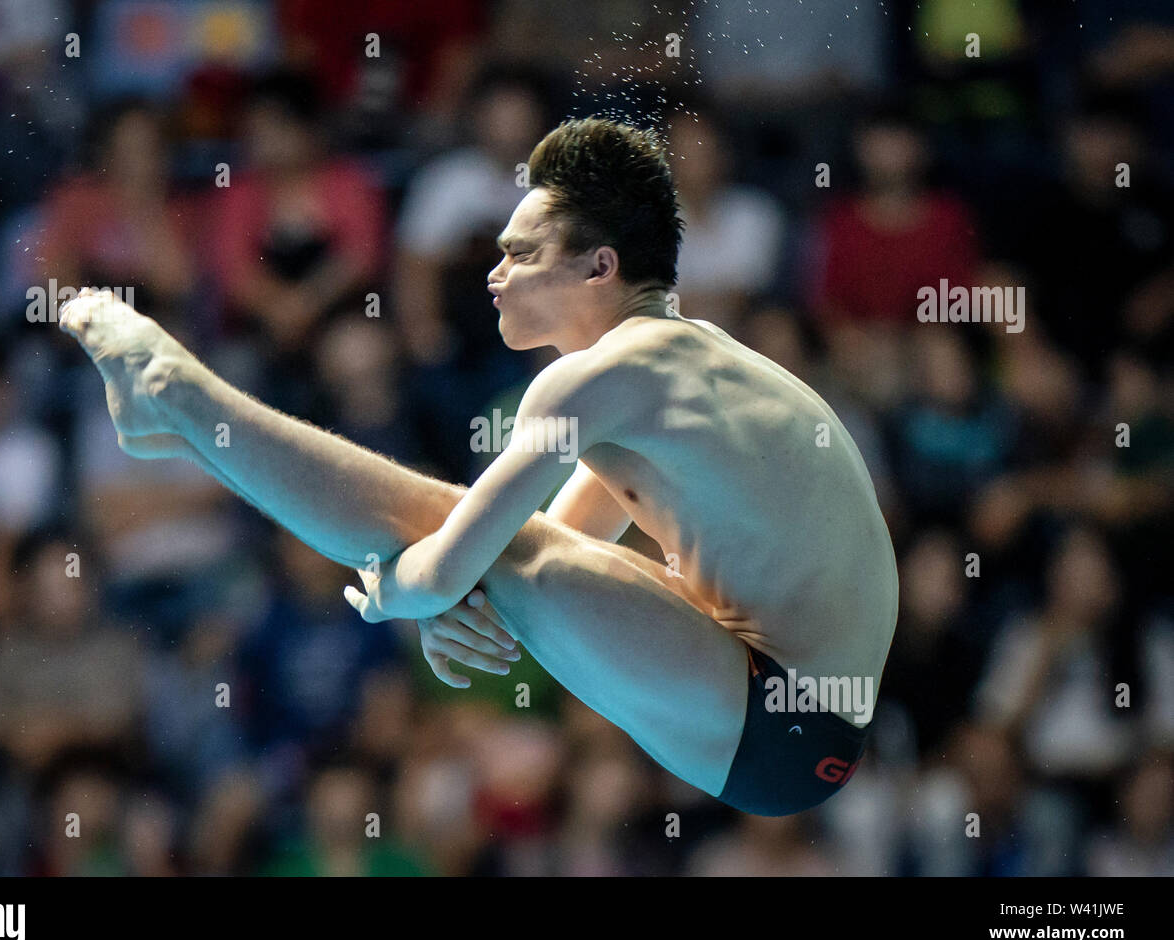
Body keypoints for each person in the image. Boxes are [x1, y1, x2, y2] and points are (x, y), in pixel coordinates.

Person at [59, 118, 898, 816]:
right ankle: (185, 414)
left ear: (600, 265)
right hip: (784, 721)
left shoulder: (603, 377)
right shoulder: (673, 369)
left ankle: (184, 398)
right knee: (486, 538)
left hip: (785, 723)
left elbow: (467, 563)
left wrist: (395, 593)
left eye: (520, 253)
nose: (492, 274)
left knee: (456, 531)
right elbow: (499, 558)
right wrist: (447, 587)